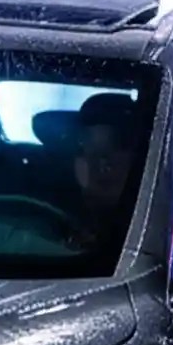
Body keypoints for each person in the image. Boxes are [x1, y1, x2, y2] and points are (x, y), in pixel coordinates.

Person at [65, 93, 139, 249]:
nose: (103, 163)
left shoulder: (153, 234)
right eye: (89, 147)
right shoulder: (49, 224)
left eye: (118, 145)